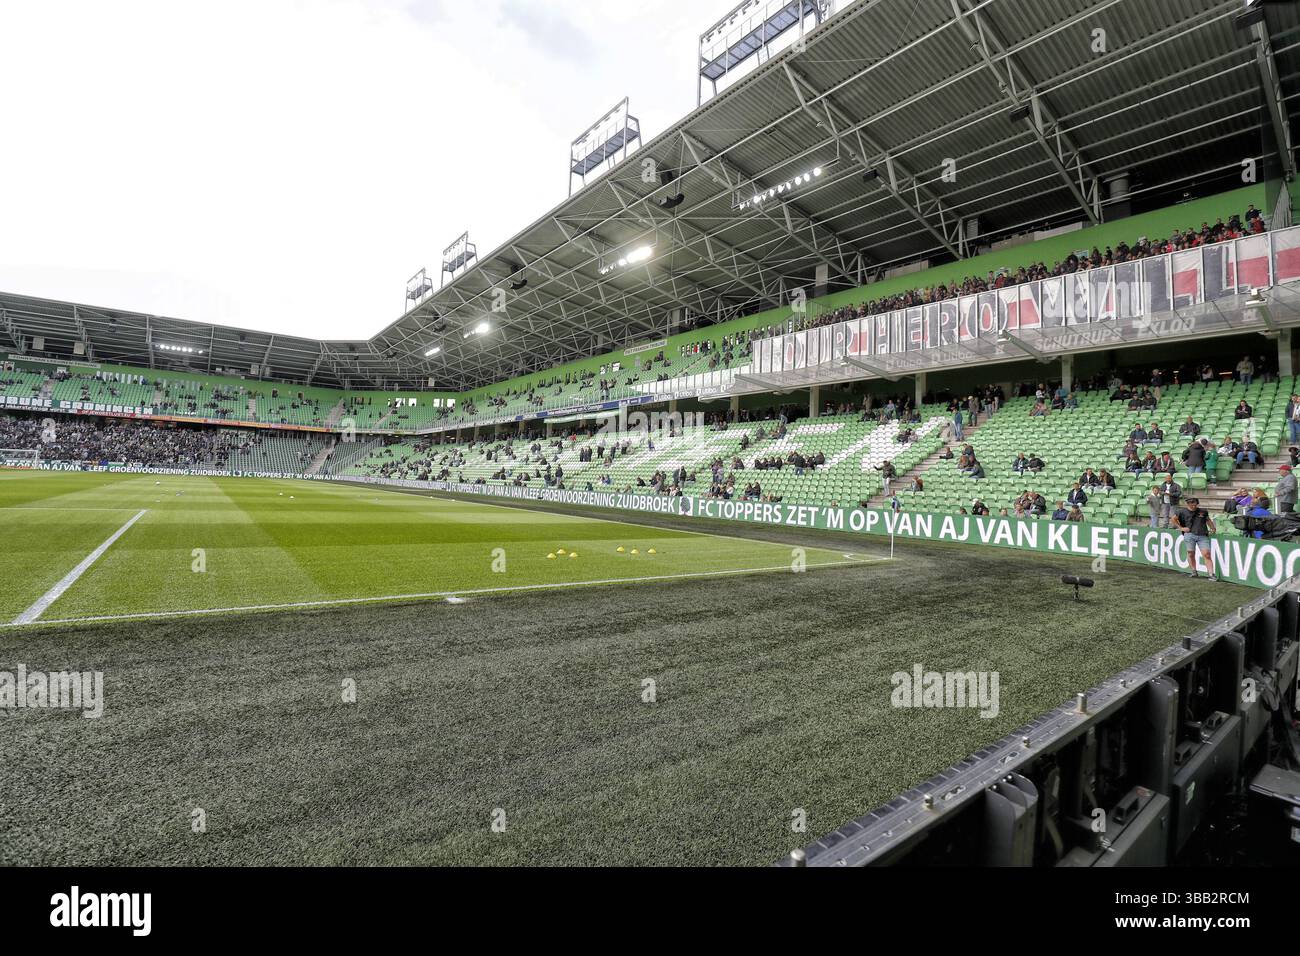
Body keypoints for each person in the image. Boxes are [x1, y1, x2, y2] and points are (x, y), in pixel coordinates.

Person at [1173, 496, 1217, 581]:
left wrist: (1213, 528)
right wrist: (1181, 528)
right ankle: (1194, 571)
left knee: (1207, 554)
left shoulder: (1203, 511)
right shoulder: (1181, 512)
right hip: (1189, 535)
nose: (1193, 506)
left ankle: (1211, 574)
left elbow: (1208, 520)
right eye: (1191, 504)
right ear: (1188, 504)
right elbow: (1173, 519)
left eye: (1195, 504)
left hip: (1203, 535)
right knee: (1190, 553)